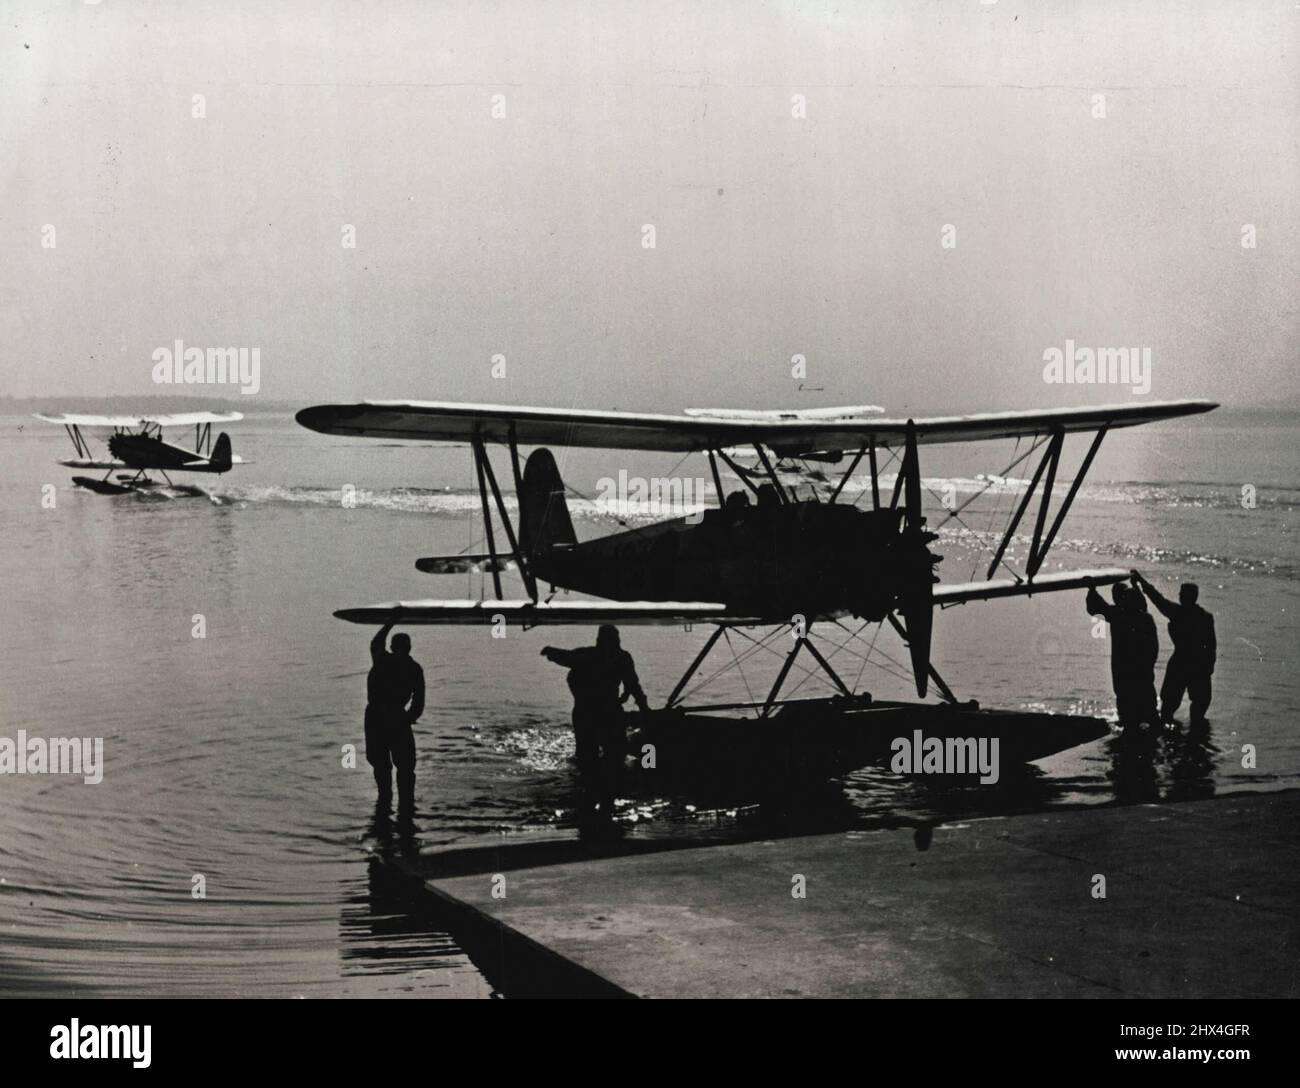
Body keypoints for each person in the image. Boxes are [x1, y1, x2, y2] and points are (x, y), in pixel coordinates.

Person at [541, 625, 649, 822]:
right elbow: (632, 684)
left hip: (590, 712)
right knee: (607, 756)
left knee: (594, 757)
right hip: (602, 712)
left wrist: (550, 651)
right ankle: (605, 798)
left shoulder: (589, 655)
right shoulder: (620, 657)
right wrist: (644, 707)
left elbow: (565, 657)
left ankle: (591, 799)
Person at [1132, 572, 1216, 724]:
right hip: (1198, 665)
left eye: (1182, 595)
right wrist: (1209, 665)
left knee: (1170, 708)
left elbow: (1157, 599)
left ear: (1188, 597)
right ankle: (1195, 738)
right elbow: (1211, 646)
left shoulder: (1178, 613)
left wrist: (1140, 581)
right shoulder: (1204, 617)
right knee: (1196, 708)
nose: (1180, 597)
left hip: (1182, 663)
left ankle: (1170, 735)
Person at [365, 621, 425, 814]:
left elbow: (376, 642)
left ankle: (387, 802)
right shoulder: (413, 668)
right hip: (395, 717)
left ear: (393, 647)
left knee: (384, 765)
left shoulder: (383, 659)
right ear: (408, 648)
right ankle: (404, 806)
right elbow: (419, 701)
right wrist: (410, 718)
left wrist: (389, 623)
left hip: (378, 717)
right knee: (402, 766)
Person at [1084, 581, 1152, 728]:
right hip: (1142, 666)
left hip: (1124, 665)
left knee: (1125, 697)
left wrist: (1092, 589)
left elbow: (1097, 608)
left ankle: (1129, 726)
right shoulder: (1144, 616)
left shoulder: (1118, 615)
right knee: (1144, 699)